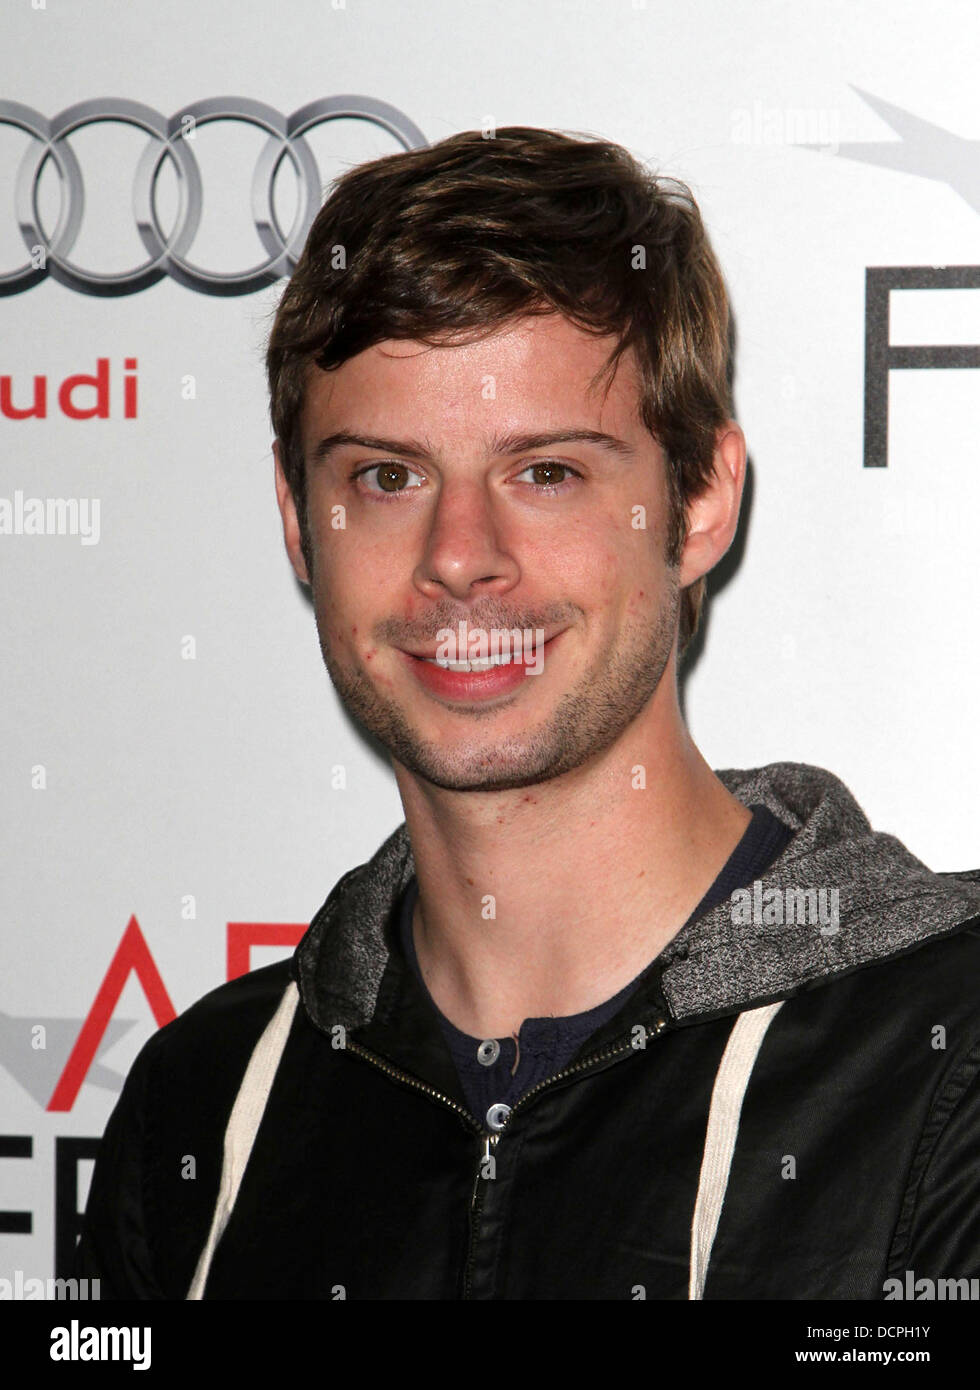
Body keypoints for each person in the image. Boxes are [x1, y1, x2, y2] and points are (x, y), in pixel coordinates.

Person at [76, 127, 980, 1300]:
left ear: (698, 500)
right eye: (385, 476)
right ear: (301, 525)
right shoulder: (201, 1105)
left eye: (545, 470)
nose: (459, 560)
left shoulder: (943, 1056)